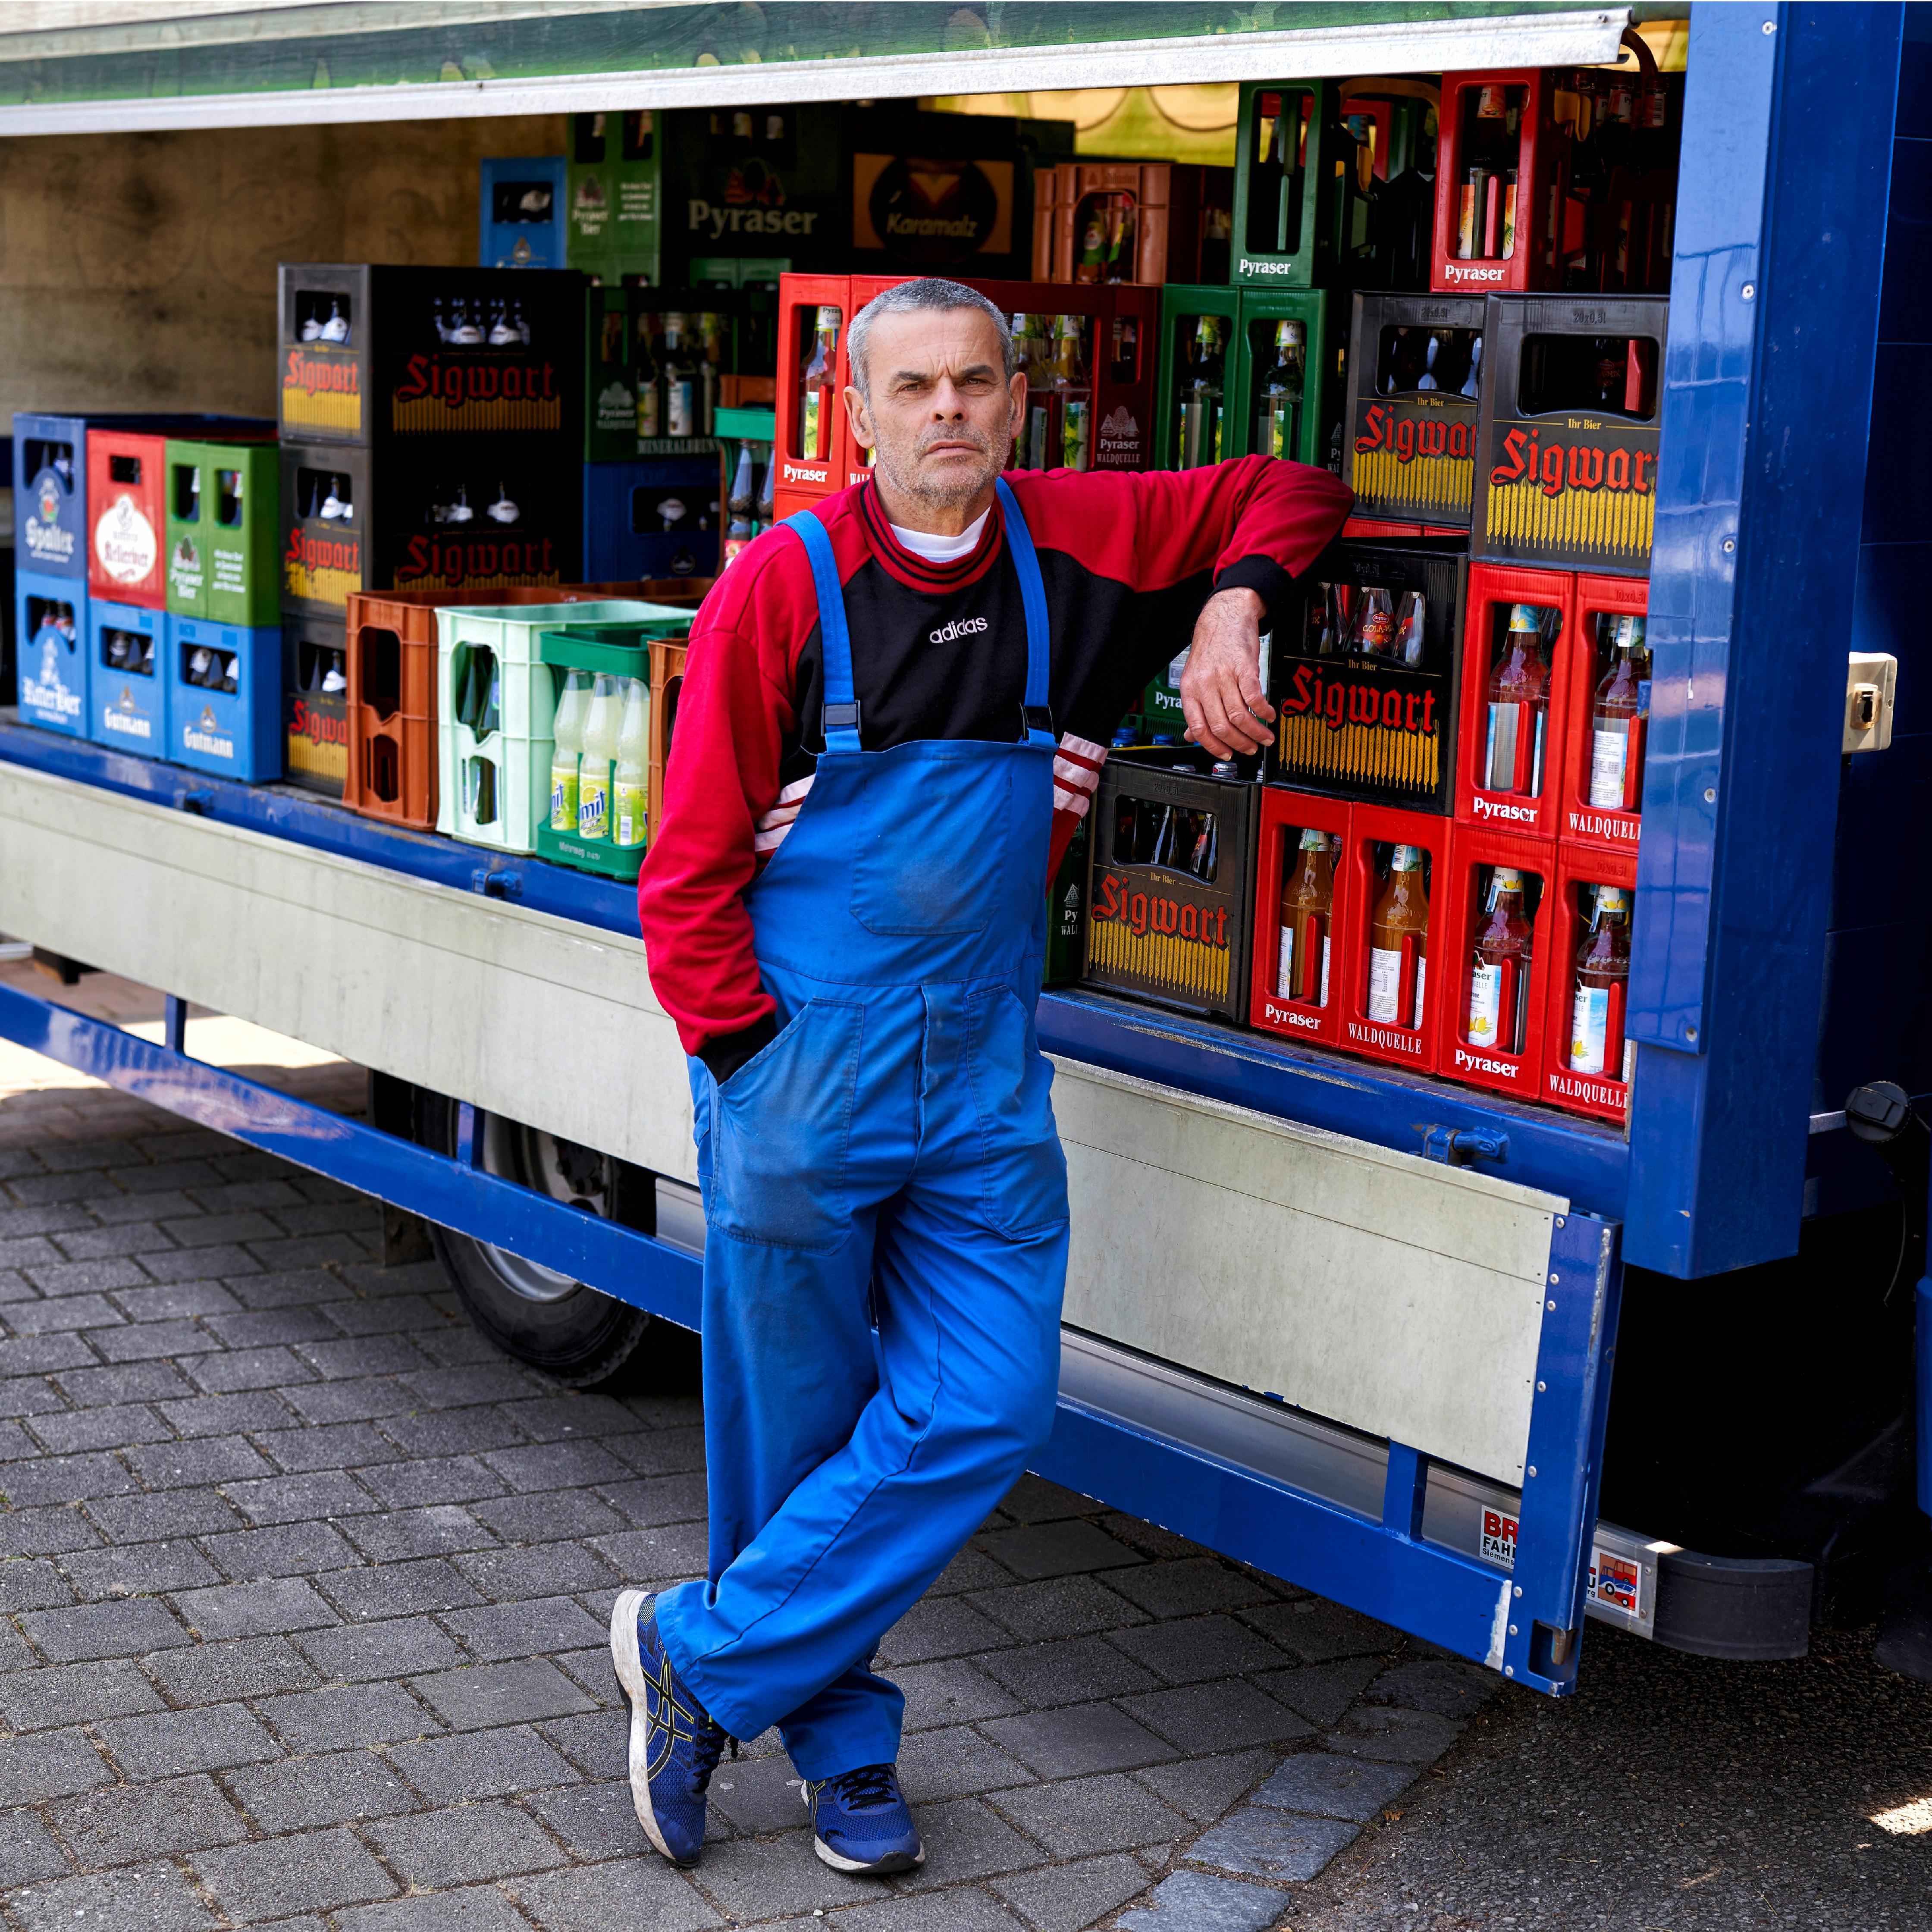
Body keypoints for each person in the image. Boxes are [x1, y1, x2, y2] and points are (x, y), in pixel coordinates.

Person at [618, 277, 1351, 1877]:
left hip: (983, 1072)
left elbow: (1295, 485)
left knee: (991, 1400)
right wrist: (747, 1062)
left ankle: (701, 1657)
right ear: (856, 417)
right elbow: (685, 873)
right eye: (912, 387)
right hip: (805, 1060)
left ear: (1020, 403)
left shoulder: (1085, 540)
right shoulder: (781, 587)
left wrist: (1232, 606)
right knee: (797, 1432)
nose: (946, 410)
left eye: (974, 382)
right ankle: (845, 1755)